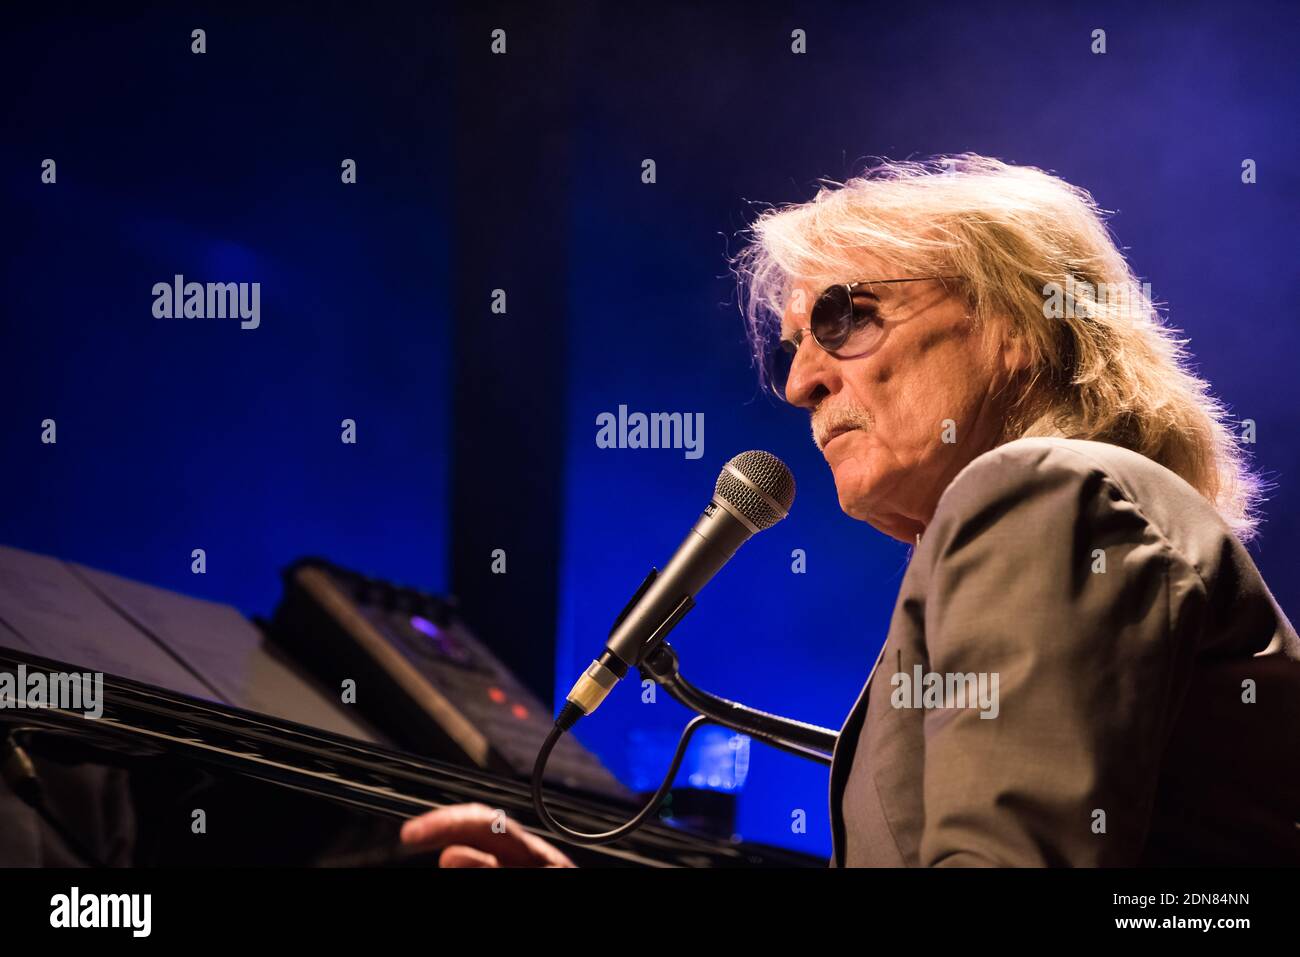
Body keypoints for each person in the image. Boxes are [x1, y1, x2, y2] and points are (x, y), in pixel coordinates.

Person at [401, 155, 1300, 867]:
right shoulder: (1054, 520)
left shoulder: (1043, 491)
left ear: (1018, 325)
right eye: (793, 347)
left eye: (844, 316)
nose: (800, 381)